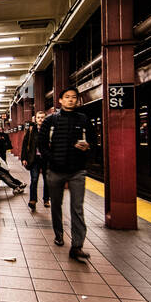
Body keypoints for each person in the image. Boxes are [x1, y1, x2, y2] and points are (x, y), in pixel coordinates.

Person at [40, 86, 94, 262]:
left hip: (77, 170)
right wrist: (53, 160)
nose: (71, 100)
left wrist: (87, 147)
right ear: (60, 100)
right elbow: (42, 145)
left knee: (77, 207)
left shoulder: (83, 119)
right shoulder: (50, 121)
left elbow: (93, 140)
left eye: (74, 97)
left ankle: (77, 246)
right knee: (56, 205)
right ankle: (59, 234)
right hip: (55, 171)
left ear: (77, 100)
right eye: (67, 97)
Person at [20, 111, 50, 212]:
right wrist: (24, 158)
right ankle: (32, 200)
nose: (40, 119)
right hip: (34, 159)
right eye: (38, 117)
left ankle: (46, 199)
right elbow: (25, 144)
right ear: (35, 119)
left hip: (46, 159)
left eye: (42, 117)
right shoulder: (31, 130)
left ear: (45, 118)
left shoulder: (49, 129)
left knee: (47, 180)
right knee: (34, 179)